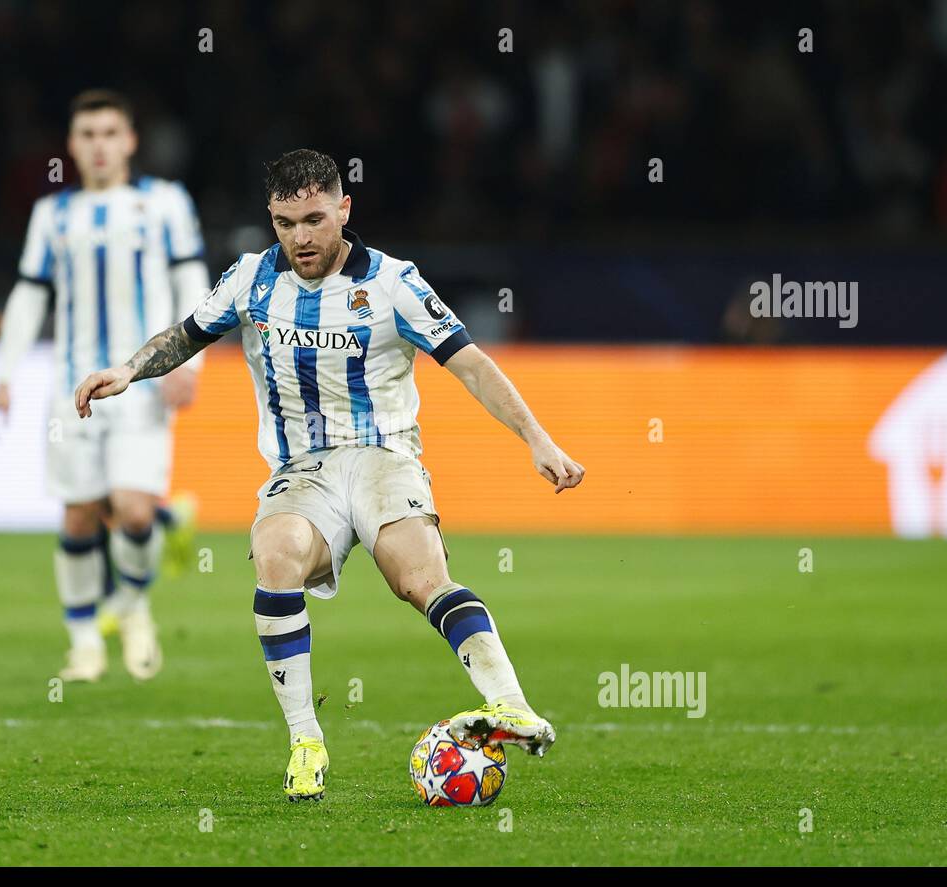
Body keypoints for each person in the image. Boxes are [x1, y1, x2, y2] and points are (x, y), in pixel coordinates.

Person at [73, 149, 584, 799]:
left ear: (345, 209)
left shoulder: (394, 283)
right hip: (302, 469)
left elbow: (472, 364)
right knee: (275, 553)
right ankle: (306, 741)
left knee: (418, 575)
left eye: (315, 219)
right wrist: (129, 370)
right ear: (272, 218)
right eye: (286, 223)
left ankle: (510, 705)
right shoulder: (253, 280)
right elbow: (187, 333)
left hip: (382, 456)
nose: (302, 237)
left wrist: (537, 439)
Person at [0, 90, 208, 682]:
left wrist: (190, 364)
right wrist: (5, 376)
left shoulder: (164, 203)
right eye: (87, 134)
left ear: (131, 140)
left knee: (133, 512)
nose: (99, 145)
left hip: (141, 379)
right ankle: (84, 643)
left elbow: (192, 278)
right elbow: (31, 293)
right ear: (71, 145)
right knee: (81, 515)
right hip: (71, 387)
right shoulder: (52, 215)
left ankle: (133, 605)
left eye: (110, 133)